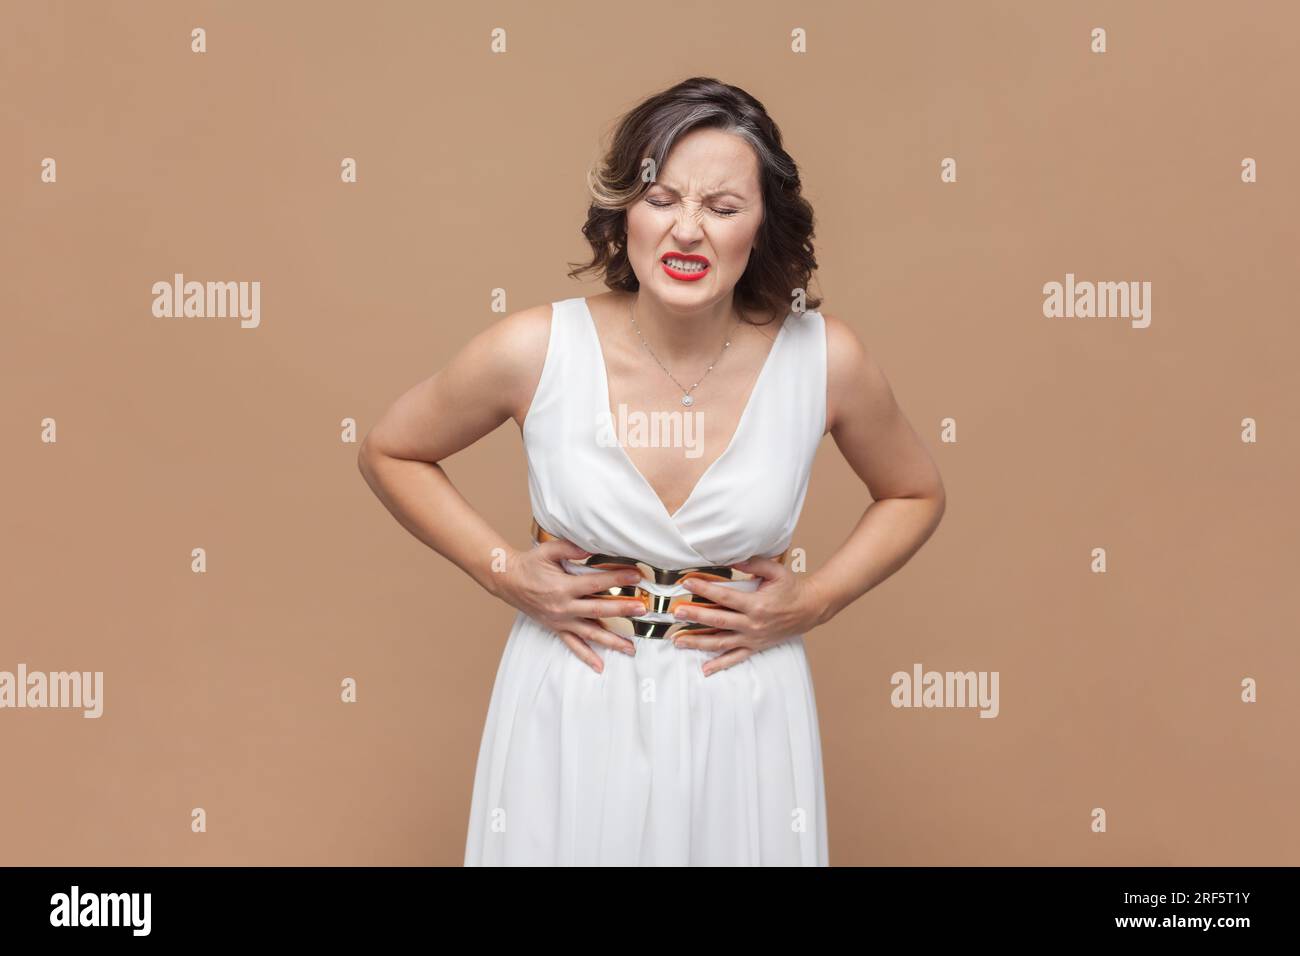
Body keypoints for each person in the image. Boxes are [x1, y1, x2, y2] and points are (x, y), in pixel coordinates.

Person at [358, 77, 946, 866]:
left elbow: (914, 491)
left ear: (763, 224)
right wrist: (504, 572)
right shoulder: (535, 347)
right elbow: (390, 449)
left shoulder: (824, 358)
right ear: (623, 212)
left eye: (723, 207)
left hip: (745, 711)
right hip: (571, 697)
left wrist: (817, 599)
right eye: (661, 197)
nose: (688, 231)